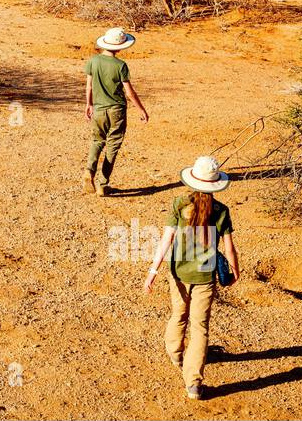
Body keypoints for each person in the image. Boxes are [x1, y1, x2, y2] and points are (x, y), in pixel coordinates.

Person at [143, 155, 240, 401]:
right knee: (200, 326)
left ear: (193, 180)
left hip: (178, 273)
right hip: (205, 276)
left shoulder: (179, 204)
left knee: (179, 314)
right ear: (215, 184)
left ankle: (176, 354)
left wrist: (153, 271)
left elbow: (167, 239)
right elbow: (229, 248)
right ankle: (194, 383)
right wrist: (235, 270)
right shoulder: (221, 211)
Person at [84, 27, 149, 196]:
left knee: (97, 141)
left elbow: (89, 86)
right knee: (113, 145)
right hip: (116, 110)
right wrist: (141, 109)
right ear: (120, 47)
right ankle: (103, 184)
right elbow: (129, 93)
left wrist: (89, 104)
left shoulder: (93, 61)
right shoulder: (121, 66)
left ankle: (89, 170)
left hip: (98, 109)